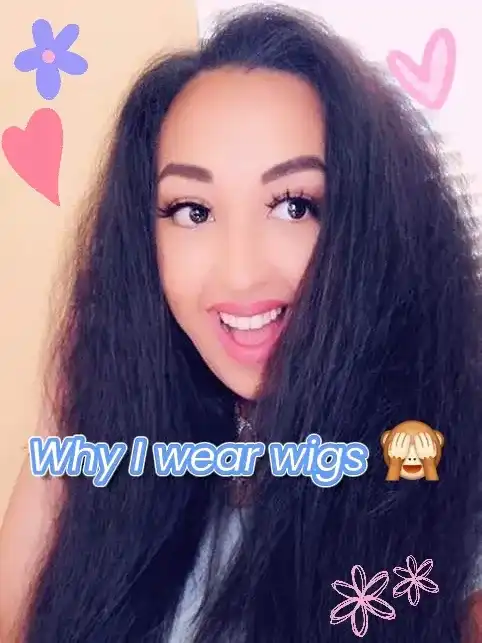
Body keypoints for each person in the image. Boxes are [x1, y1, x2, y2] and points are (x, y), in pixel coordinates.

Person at [1, 4, 481, 642]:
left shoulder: (445, 456)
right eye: (193, 211)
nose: (241, 274)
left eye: (293, 205)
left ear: (369, 225)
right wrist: (74, 395)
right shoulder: (116, 450)